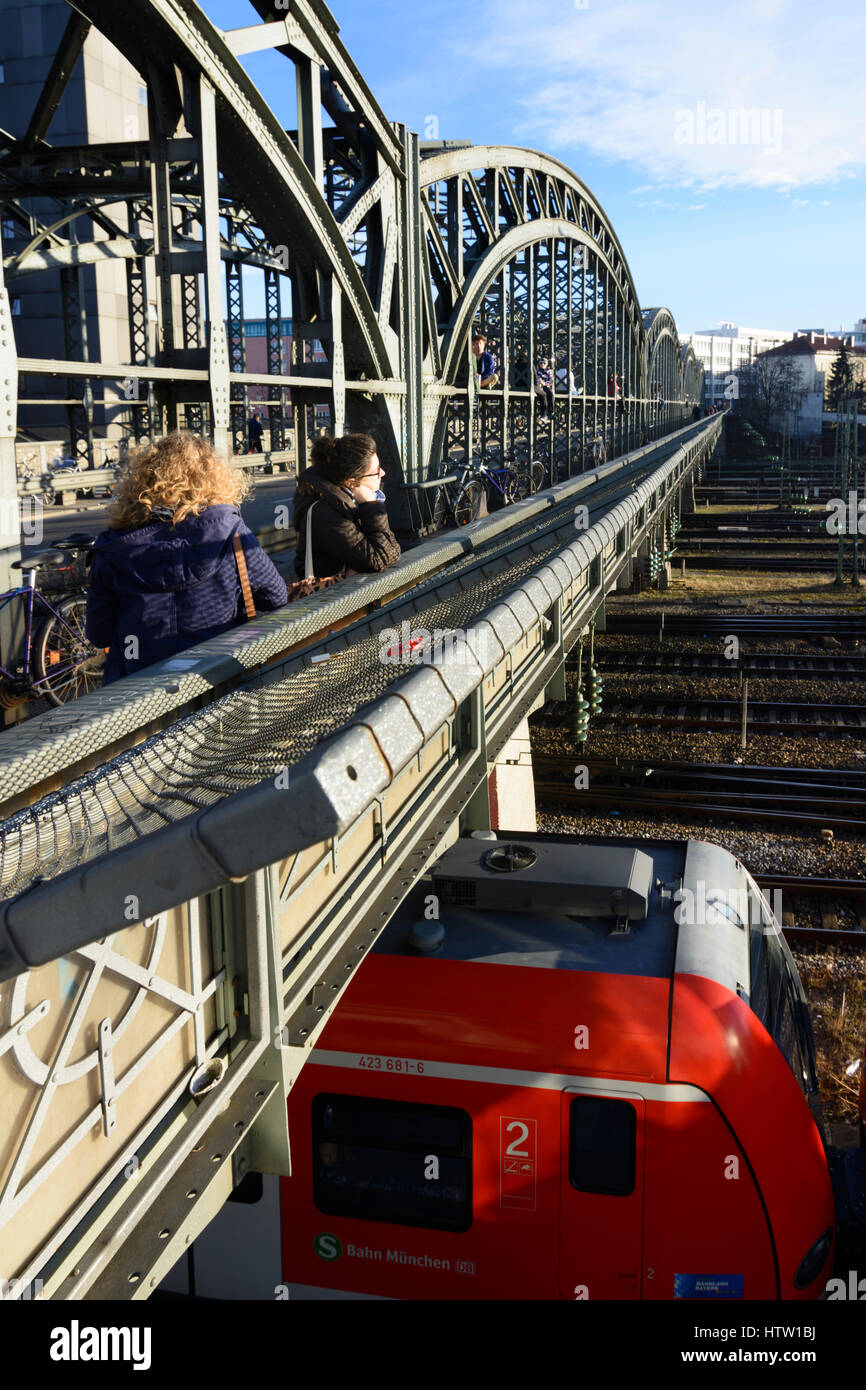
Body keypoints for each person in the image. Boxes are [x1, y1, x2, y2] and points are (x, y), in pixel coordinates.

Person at [86, 431, 287, 685]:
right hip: (218, 682)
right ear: (213, 478)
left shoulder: (113, 548)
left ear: (142, 482)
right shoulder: (233, 535)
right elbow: (276, 597)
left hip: (138, 693)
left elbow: (99, 635)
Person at [293, 432, 401, 580]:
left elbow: (393, 550)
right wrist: (371, 505)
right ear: (351, 482)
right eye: (376, 471)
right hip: (328, 599)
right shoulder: (326, 513)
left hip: (347, 596)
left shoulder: (347, 502)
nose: (382, 473)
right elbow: (378, 559)